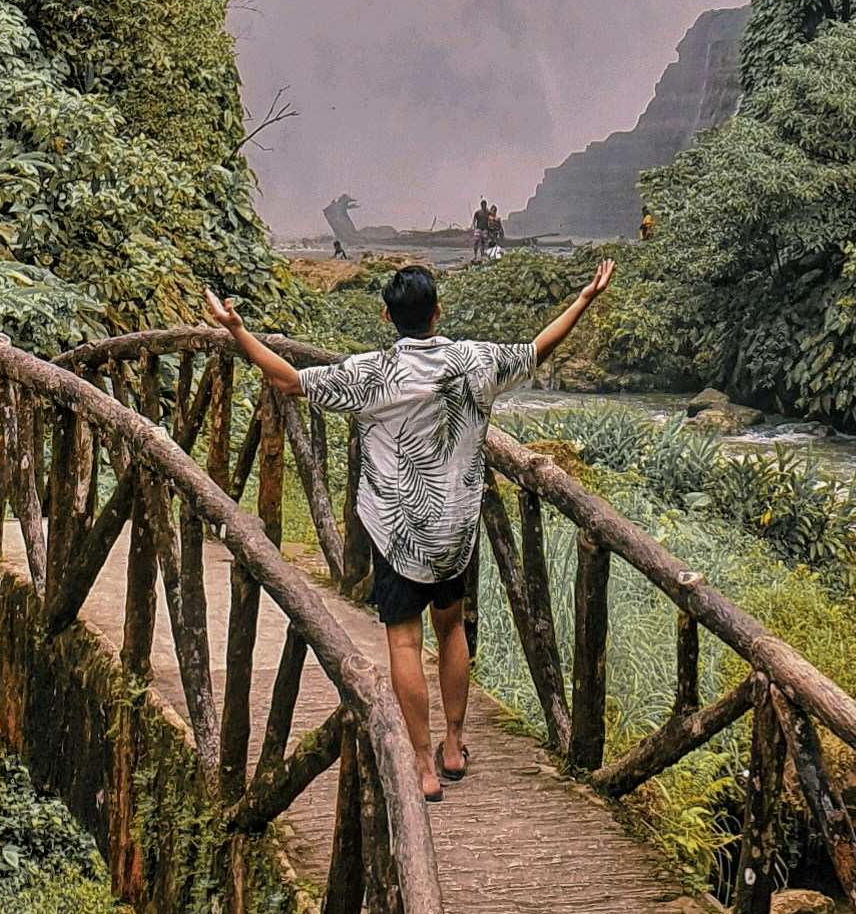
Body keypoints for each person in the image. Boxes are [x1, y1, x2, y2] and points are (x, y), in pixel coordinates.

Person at [203, 255, 614, 800]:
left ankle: (421, 765)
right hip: (455, 530)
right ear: (437, 312)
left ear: (385, 317)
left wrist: (235, 329)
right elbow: (540, 347)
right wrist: (584, 298)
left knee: (403, 639)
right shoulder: (475, 361)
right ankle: (454, 744)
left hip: (398, 534)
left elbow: (287, 380)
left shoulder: (372, 374)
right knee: (451, 629)